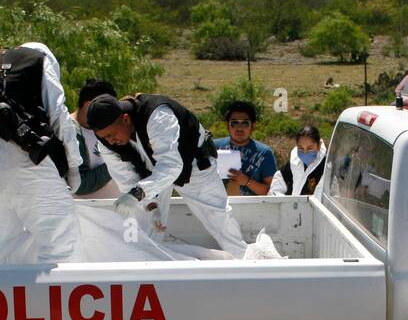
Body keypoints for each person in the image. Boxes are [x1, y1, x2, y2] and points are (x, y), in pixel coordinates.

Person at [0, 42, 84, 264]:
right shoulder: (36, 59)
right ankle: (51, 297)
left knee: (3, 238)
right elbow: (59, 115)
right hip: (17, 151)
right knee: (60, 239)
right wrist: (73, 165)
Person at [87, 92, 248, 257]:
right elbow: (128, 180)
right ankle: (150, 266)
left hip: (194, 163)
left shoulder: (158, 116)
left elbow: (171, 165)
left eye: (112, 134)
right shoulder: (106, 143)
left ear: (125, 118)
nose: (110, 140)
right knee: (145, 223)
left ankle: (246, 260)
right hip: (151, 172)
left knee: (217, 217)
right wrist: (151, 205)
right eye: (104, 137)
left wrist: (138, 193)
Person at [72, 78, 121, 200]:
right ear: (89, 104)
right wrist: (116, 163)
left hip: (116, 212)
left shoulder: (104, 126)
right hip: (89, 213)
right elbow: (80, 184)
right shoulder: (71, 132)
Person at [214, 101, 276, 196]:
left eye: (245, 123)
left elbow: (272, 192)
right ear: (227, 125)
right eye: (234, 123)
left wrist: (247, 181)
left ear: (253, 126)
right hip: (217, 208)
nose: (239, 128)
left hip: (251, 209)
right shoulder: (213, 147)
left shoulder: (264, 153)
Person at [268, 125, 326, 196]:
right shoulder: (293, 163)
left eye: (310, 148)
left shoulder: (325, 167)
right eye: (301, 148)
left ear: (319, 146)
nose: (305, 152)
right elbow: (276, 189)